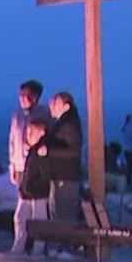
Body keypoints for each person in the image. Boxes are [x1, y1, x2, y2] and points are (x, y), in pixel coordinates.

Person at [9, 119, 53, 256]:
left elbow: (45, 173)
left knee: (38, 221)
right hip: (27, 191)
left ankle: (38, 250)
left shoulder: (43, 149)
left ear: (42, 132)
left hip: (38, 192)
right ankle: (18, 247)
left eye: (32, 131)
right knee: (20, 218)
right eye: (27, 132)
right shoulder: (33, 150)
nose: (28, 135)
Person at [44, 92, 85, 228]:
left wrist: (48, 151)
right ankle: (62, 245)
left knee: (64, 214)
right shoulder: (64, 122)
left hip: (66, 176)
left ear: (66, 106)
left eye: (56, 103)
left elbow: (73, 150)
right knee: (59, 212)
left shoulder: (69, 124)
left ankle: (66, 245)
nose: (52, 105)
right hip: (61, 175)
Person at [7, 81, 47, 191]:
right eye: (21, 95)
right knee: (22, 194)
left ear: (35, 97)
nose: (22, 98)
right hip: (20, 165)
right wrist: (12, 165)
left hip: (37, 164)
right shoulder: (17, 114)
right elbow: (12, 140)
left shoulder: (45, 113)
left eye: (26, 95)